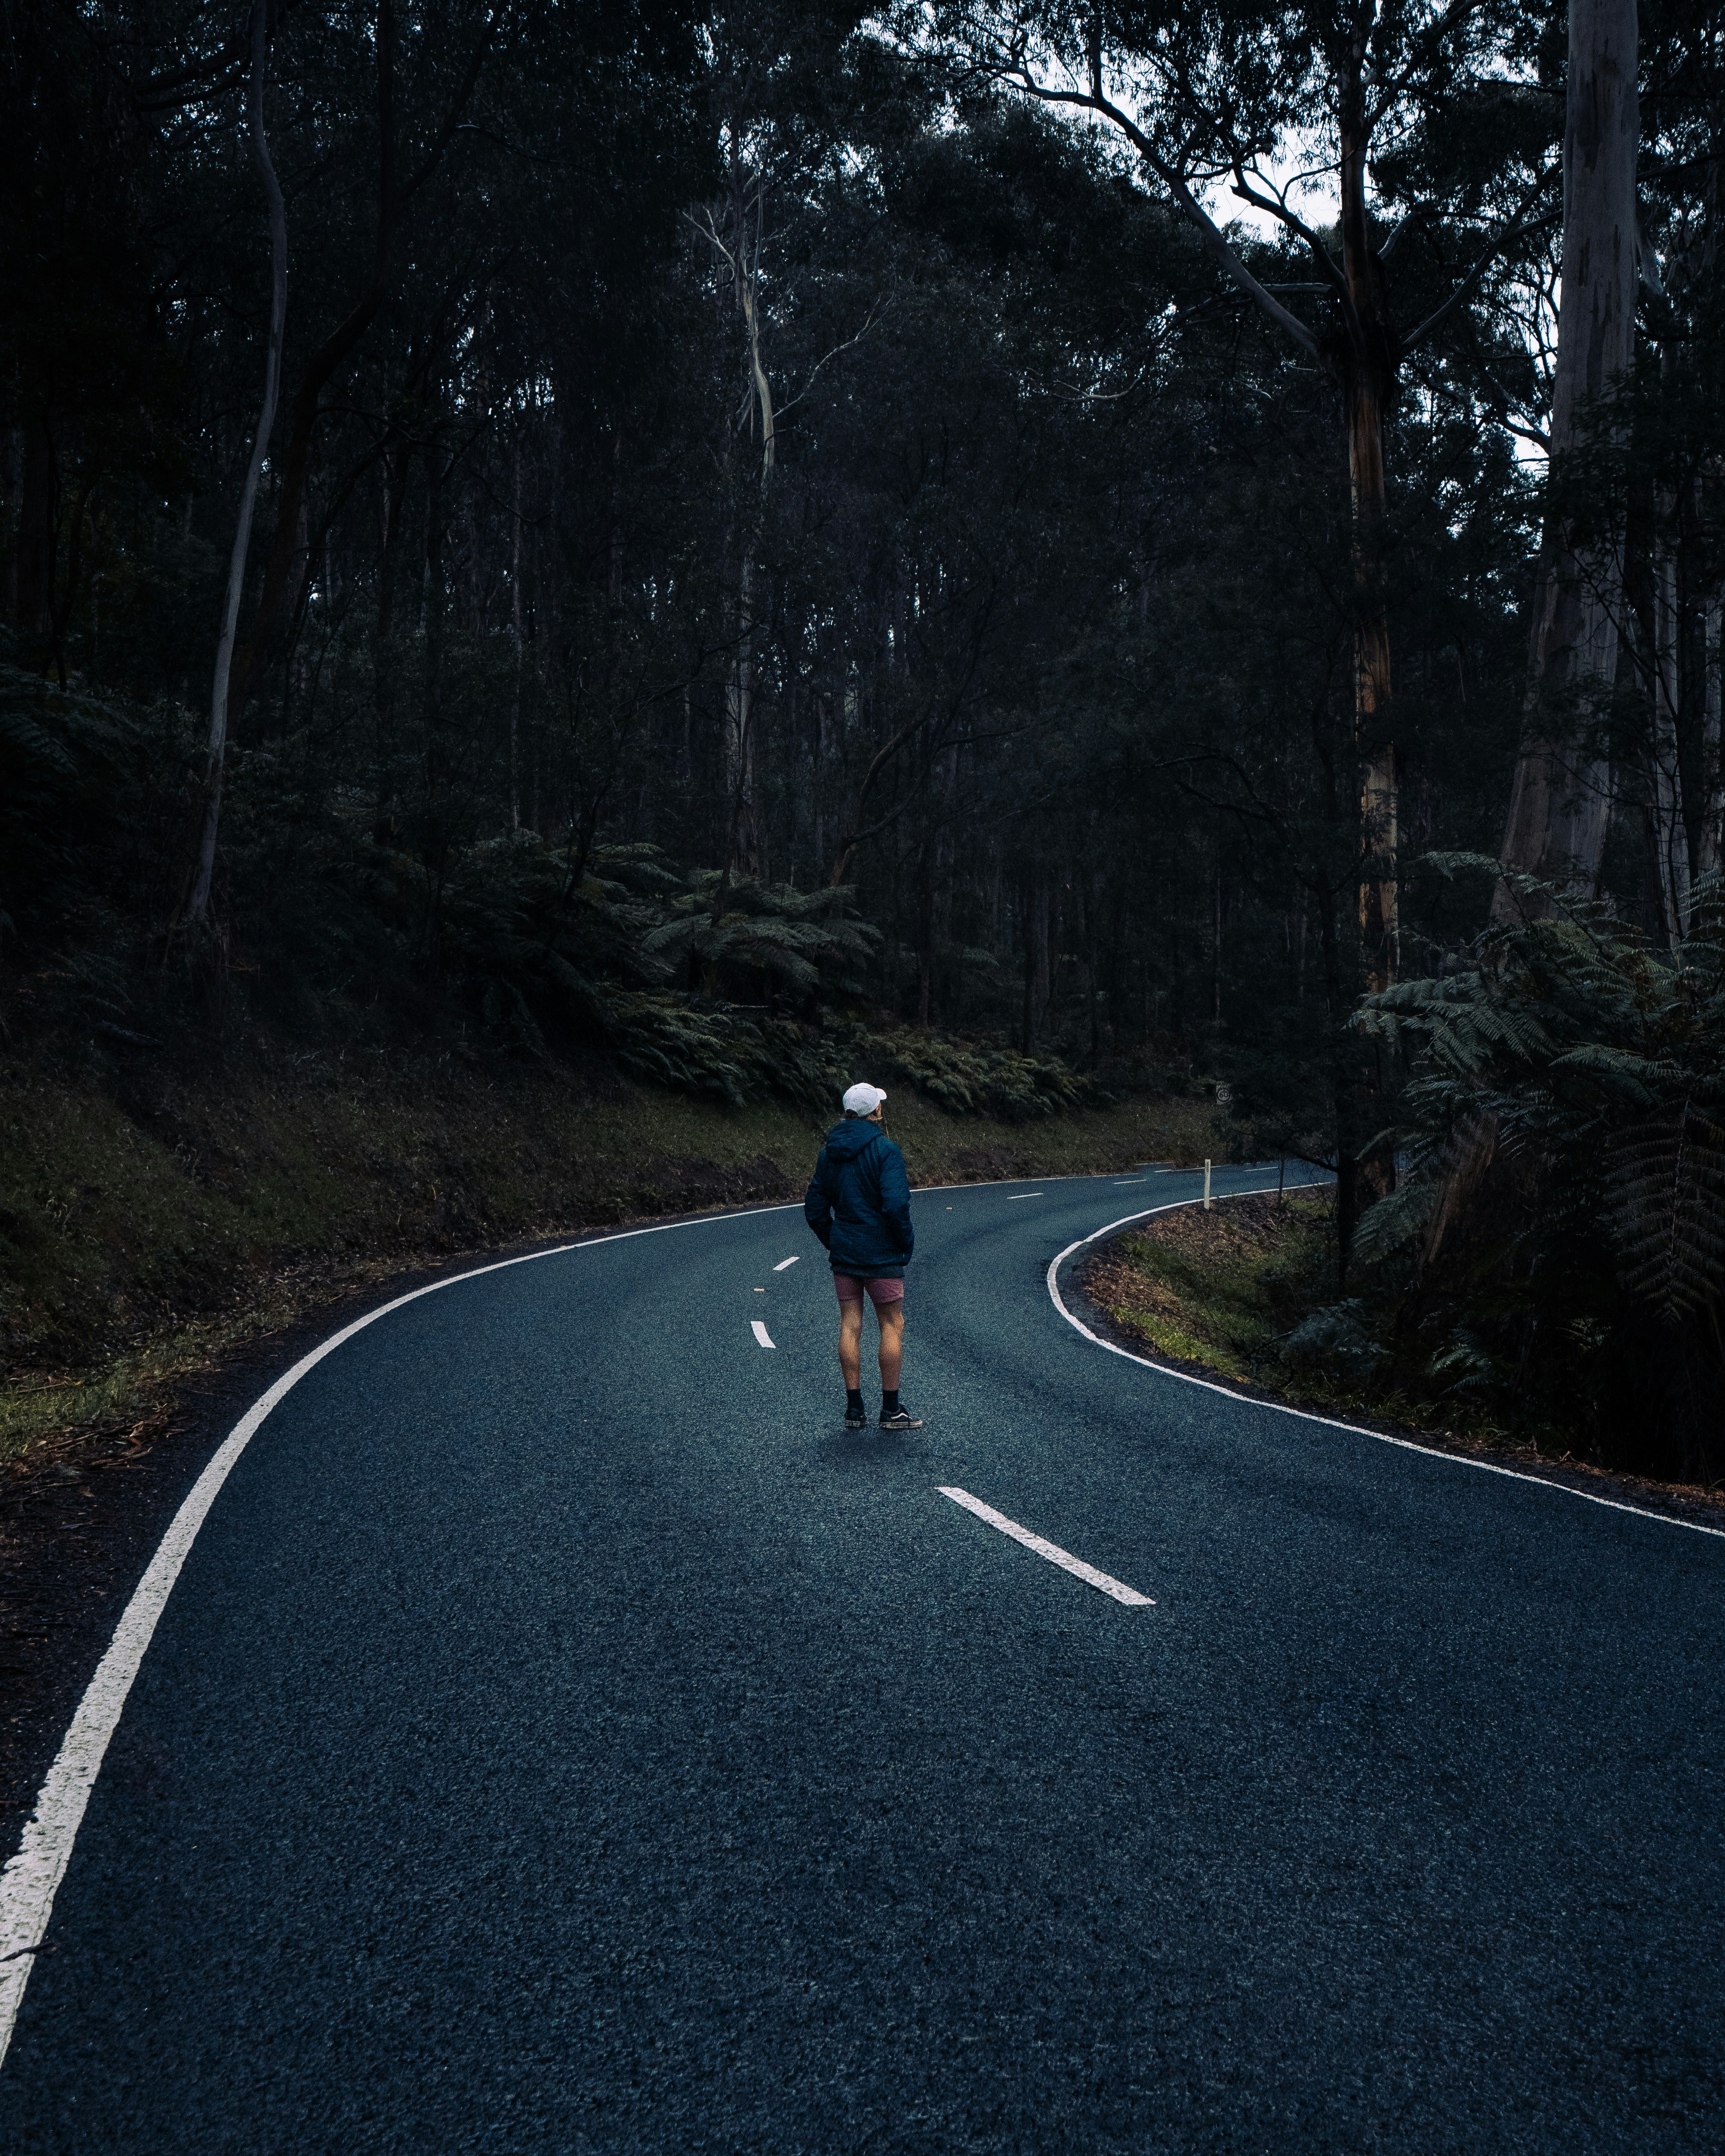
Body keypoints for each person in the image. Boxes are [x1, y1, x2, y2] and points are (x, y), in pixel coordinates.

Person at [804, 1081, 922, 1430]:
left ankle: (854, 1408)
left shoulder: (828, 1153)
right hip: (882, 1254)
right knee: (891, 1324)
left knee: (850, 1325)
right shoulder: (886, 1151)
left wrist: (836, 1240)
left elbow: (815, 1209)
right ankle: (891, 1410)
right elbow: (896, 1204)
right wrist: (905, 1245)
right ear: (876, 1111)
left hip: (846, 1255)